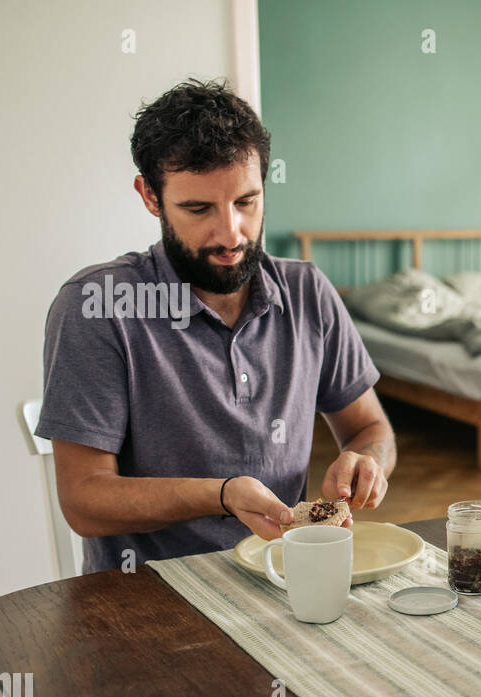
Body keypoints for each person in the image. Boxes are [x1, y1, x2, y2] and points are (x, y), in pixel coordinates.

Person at [36, 79, 394, 574]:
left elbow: (369, 427)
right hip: (147, 603)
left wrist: (366, 460)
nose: (231, 233)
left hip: (287, 581)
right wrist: (223, 495)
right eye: (199, 208)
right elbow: (84, 501)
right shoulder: (98, 306)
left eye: (246, 202)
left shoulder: (308, 291)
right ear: (150, 196)